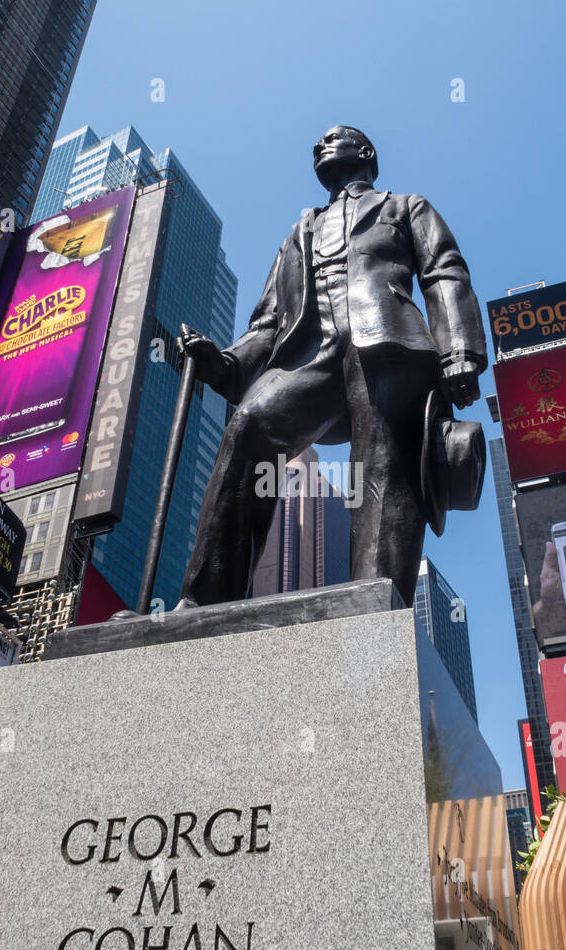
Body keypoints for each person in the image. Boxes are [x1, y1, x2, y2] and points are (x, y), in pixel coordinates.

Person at [177, 125, 486, 608]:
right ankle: (201, 601)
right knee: (251, 425)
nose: (319, 146)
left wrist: (459, 352)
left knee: (384, 467)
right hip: (310, 352)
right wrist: (225, 365)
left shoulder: (405, 207)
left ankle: (377, 600)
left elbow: (443, 270)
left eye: (333, 138)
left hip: (389, 343)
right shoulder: (300, 231)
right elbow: (268, 322)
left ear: (365, 152)